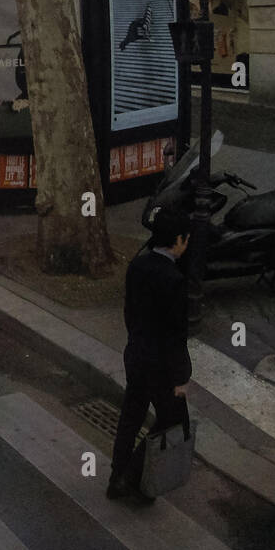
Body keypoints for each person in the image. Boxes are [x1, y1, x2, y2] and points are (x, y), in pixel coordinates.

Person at [107, 208, 193, 501]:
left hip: (136, 353)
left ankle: (116, 476)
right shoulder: (174, 279)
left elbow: (130, 312)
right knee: (172, 419)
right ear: (178, 240)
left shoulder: (138, 265)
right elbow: (176, 335)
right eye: (186, 239)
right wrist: (181, 378)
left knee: (132, 415)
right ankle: (132, 476)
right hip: (161, 366)